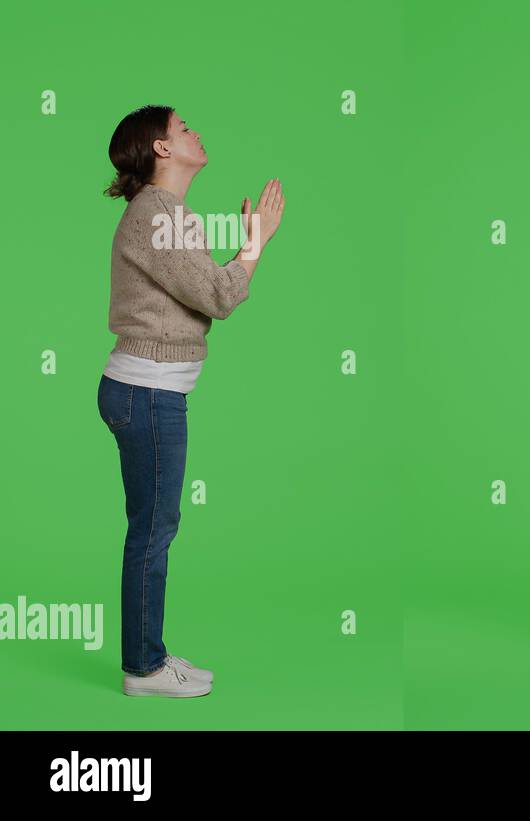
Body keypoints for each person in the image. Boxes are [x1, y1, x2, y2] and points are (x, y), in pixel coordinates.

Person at [97, 104, 285, 697]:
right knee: (153, 532)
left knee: (153, 528)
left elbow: (206, 292)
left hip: (146, 392)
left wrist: (240, 256)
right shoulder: (159, 216)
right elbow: (222, 297)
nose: (194, 132)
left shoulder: (165, 214)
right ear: (159, 149)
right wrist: (255, 245)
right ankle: (145, 670)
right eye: (183, 129)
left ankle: (146, 656)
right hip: (148, 395)